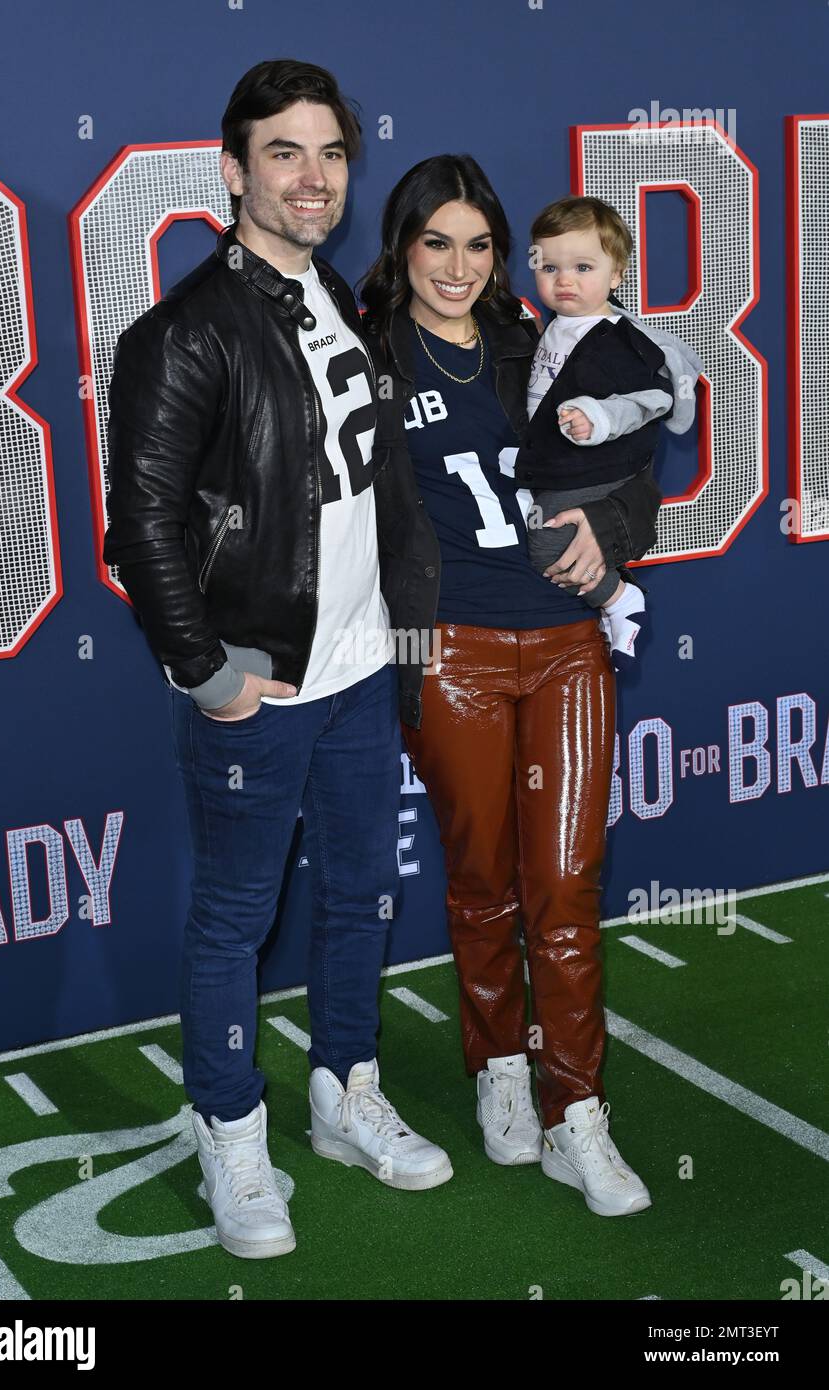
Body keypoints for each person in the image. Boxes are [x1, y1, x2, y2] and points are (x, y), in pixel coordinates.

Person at [102, 59, 452, 1263]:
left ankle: (343, 1088)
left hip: (362, 672)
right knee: (237, 918)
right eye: (287, 153)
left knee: (361, 894)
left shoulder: (347, 306)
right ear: (236, 169)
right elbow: (136, 525)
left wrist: (401, 649)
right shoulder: (185, 331)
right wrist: (210, 671)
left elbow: (377, 505)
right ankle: (228, 1126)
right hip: (262, 683)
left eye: (332, 154)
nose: (314, 178)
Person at [359, 154, 660, 1216]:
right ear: (402, 246)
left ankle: (578, 1109)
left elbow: (637, 463)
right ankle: (499, 1067)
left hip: (568, 639)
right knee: (482, 879)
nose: (458, 264)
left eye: (479, 243)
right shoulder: (365, 356)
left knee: (566, 886)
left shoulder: (540, 342)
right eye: (436, 241)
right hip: (450, 650)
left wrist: (611, 542)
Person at [518, 195, 704, 671]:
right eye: (548, 266)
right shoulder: (553, 327)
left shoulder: (618, 338)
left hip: (595, 469)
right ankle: (605, 595)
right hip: (556, 464)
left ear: (616, 274)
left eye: (583, 267)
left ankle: (619, 599)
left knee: (545, 544)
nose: (564, 280)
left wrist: (599, 417)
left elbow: (655, 399)